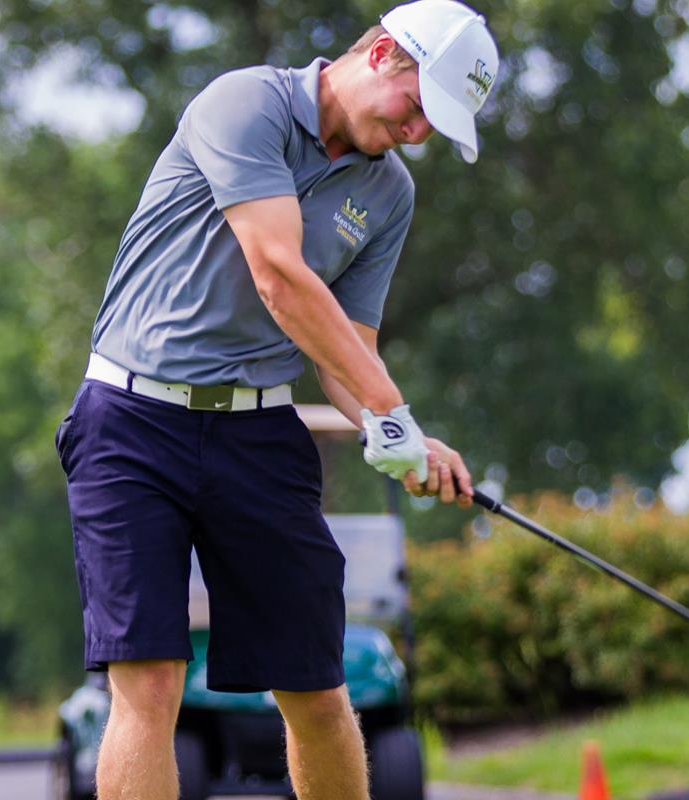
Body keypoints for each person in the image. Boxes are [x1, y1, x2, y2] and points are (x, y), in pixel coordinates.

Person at [53, 1, 498, 797]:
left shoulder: (389, 193)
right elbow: (280, 277)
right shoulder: (246, 102)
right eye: (421, 106)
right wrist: (392, 412)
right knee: (149, 685)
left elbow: (347, 353)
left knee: (319, 687)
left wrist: (408, 440)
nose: (419, 133)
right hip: (131, 423)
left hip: (258, 432)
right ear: (387, 54)